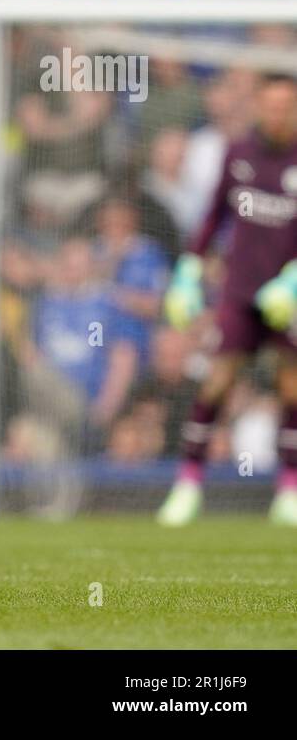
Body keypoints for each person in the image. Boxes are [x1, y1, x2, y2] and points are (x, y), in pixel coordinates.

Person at [160, 73, 297, 526]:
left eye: (287, 106)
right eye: (272, 105)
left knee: (291, 387)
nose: (278, 114)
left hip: (290, 296)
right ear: (259, 106)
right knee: (217, 381)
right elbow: (214, 215)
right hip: (240, 290)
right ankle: (188, 482)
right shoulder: (238, 154)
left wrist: (293, 281)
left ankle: (290, 489)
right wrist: (189, 269)